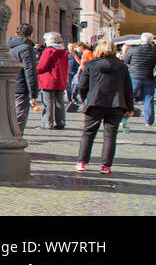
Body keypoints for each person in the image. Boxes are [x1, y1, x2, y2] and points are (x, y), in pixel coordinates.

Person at [74, 40, 134, 174]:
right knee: (110, 135)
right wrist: (129, 107)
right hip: (116, 104)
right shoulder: (122, 67)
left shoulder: (90, 65)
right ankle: (106, 166)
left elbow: (82, 85)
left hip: (94, 103)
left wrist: (85, 99)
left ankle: (82, 162)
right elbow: (128, 89)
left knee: (88, 133)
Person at [8, 23, 40, 134]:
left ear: (16, 34)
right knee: (19, 117)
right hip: (21, 87)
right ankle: (15, 140)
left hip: (8, 85)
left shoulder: (8, 47)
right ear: (30, 35)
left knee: (8, 115)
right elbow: (30, 71)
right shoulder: (26, 48)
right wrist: (33, 94)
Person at [34, 31, 68, 130]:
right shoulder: (63, 50)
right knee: (60, 102)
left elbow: (42, 66)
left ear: (50, 40)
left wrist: (35, 71)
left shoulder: (49, 51)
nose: (45, 41)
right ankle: (61, 122)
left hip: (48, 80)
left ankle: (47, 123)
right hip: (60, 79)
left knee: (48, 103)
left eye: (46, 39)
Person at [121, 32, 156, 127]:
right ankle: (148, 121)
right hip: (148, 77)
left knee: (128, 97)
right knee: (149, 98)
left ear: (141, 40)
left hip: (134, 77)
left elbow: (125, 62)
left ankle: (123, 118)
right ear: (151, 41)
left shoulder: (133, 50)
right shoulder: (154, 51)